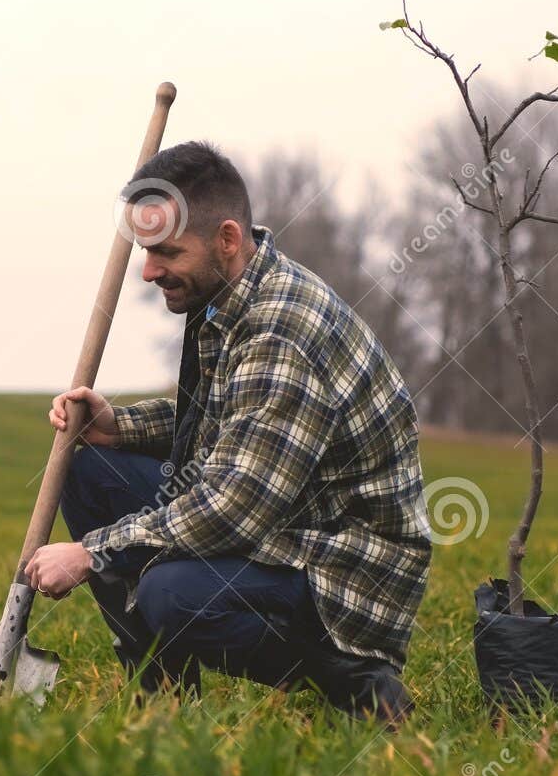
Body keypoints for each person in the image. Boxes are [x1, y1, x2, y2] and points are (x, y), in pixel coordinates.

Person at [25, 141, 430, 728]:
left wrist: (92, 552)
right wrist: (116, 427)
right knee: (89, 468)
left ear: (229, 239)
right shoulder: (229, 299)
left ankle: (355, 680)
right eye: (144, 251)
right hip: (283, 530)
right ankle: (161, 699)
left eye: (167, 252)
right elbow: (220, 422)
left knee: (170, 593)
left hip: (341, 571)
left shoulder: (280, 332)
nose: (150, 271)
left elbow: (233, 509)